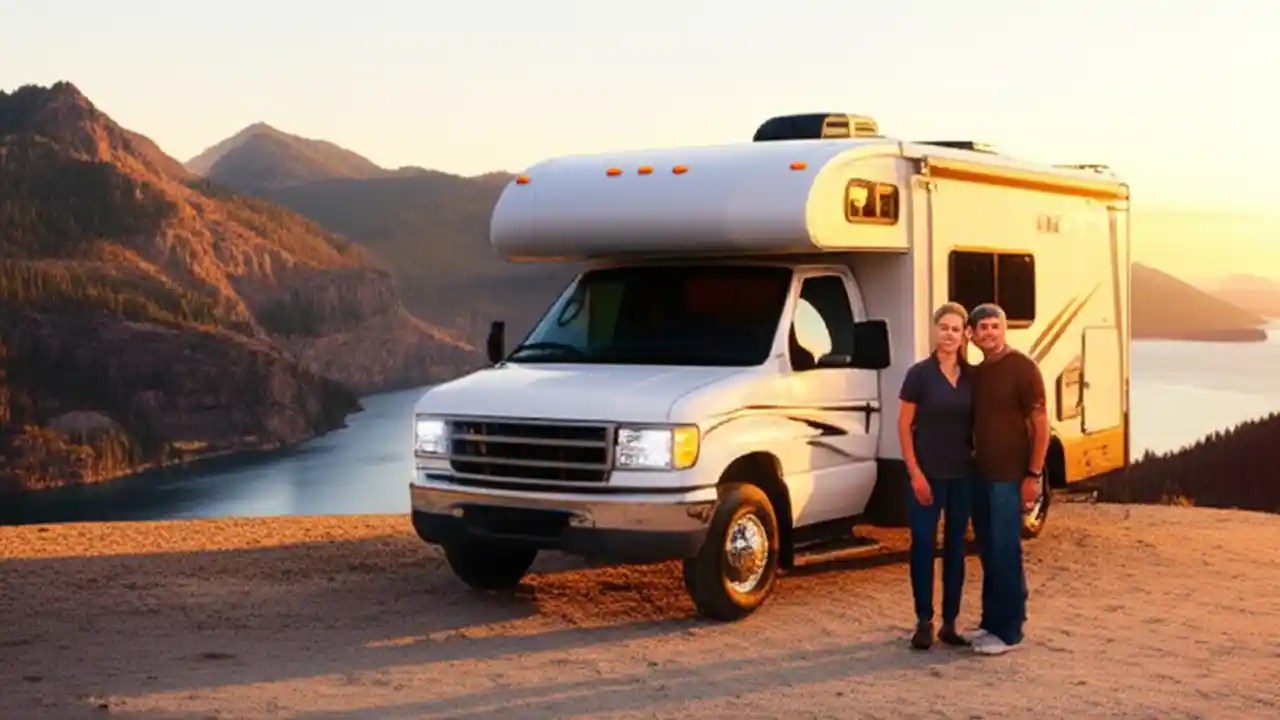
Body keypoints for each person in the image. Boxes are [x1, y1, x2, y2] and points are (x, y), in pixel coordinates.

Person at [964, 303, 1049, 656]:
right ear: (972, 334)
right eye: (982, 328)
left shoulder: (1023, 368)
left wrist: (1034, 475)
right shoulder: (978, 373)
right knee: (987, 550)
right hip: (980, 475)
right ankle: (991, 623)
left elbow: (1040, 425)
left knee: (1005, 550)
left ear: (1004, 329)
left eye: (994, 326)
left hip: (1009, 476)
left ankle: (1011, 631)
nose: (989, 333)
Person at [897, 302, 975, 650]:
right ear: (935, 330)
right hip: (926, 476)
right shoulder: (919, 374)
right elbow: (903, 426)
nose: (949, 334)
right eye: (944, 327)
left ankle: (950, 623)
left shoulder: (972, 378)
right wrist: (915, 473)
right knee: (923, 545)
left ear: (965, 334)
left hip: (963, 476)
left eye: (955, 329)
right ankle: (924, 620)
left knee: (956, 548)